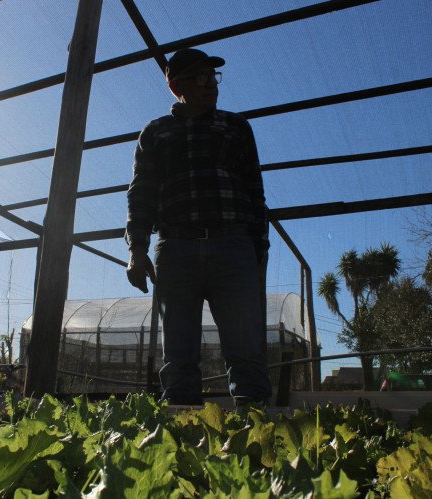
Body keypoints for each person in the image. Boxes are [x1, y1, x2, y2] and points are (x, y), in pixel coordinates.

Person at [125, 48, 271, 408]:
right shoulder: (156, 132)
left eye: (213, 77)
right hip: (176, 248)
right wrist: (137, 250)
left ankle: (255, 425)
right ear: (177, 86)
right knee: (178, 353)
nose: (212, 85)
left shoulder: (235, 127)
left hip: (233, 245)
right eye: (202, 77)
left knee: (246, 347)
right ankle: (181, 421)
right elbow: (141, 192)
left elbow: (255, 192)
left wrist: (258, 250)